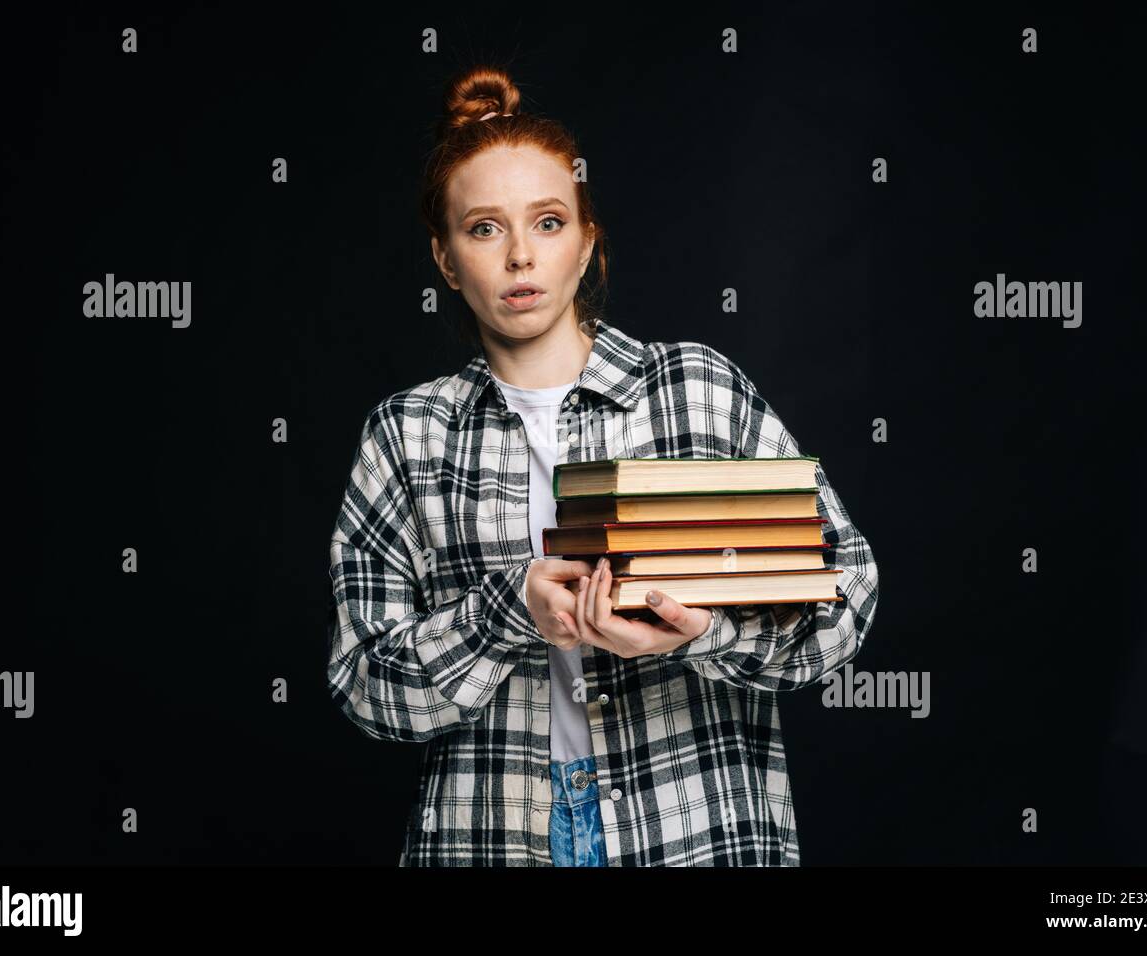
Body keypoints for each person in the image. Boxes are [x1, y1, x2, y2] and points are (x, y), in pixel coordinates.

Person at [327, 65, 879, 866]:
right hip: (494, 838)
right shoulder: (407, 435)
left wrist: (703, 636)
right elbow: (365, 687)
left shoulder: (697, 390)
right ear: (446, 261)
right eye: (484, 228)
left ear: (586, 243)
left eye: (547, 222)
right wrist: (507, 613)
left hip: (691, 831)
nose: (520, 255)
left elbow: (845, 591)